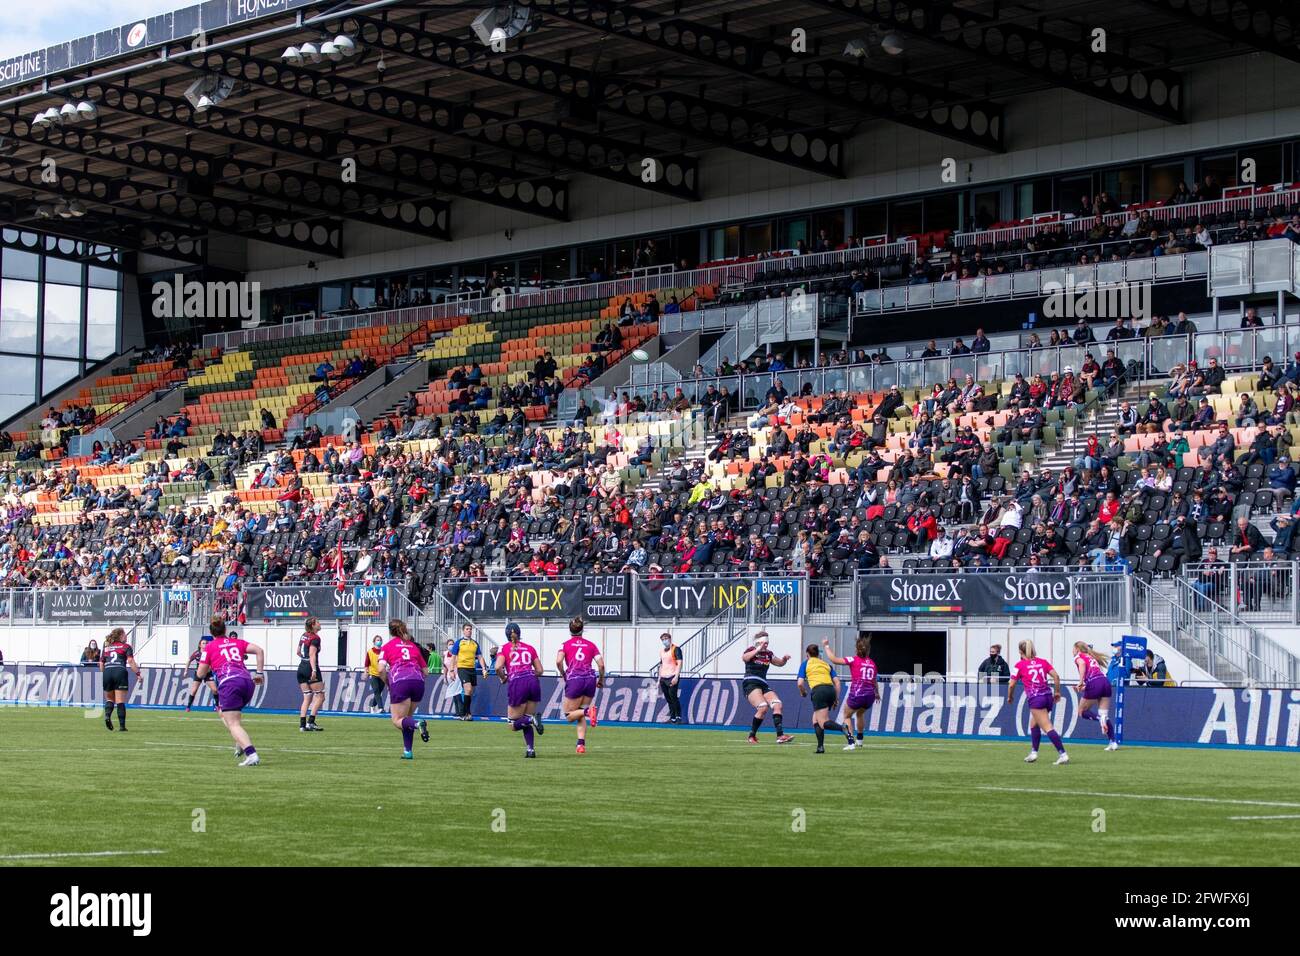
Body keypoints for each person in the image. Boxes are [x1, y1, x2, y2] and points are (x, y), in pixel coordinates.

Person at [194, 617, 266, 766]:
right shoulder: (237, 642)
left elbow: (200, 673)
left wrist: (208, 665)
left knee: (233, 723)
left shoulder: (210, 647)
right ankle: (240, 740)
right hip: (247, 682)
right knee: (224, 714)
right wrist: (259, 673)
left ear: (211, 632)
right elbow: (259, 650)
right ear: (225, 630)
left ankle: (251, 753)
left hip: (229, 683)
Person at [1007, 639, 1068, 765]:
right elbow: (1056, 677)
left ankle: (1063, 754)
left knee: (1047, 727)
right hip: (1047, 696)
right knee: (1034, 724)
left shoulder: (1019, 665)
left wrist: (1010, 697)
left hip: (1036, 698)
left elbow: (1011, 684)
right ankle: (1034, 753)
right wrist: (1057, 692)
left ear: (1020, 651)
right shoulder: (1042, 662)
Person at [378, 619, 429, 759]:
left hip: (400, 681)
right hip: (418, 682)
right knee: (406, 719)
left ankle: (419, 723)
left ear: (390, 631)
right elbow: (426, 671)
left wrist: (388, 683)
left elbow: (380, 669)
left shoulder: (387, 647)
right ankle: (408, 751)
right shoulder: (413, 646)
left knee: (397, 720)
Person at [556, 616, 604, 754]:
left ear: (570, 630)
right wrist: (600, 679)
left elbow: (559, 661)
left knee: (569, 715)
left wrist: (563, 673)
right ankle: (581, 745)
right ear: (582, 630)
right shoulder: (591, 645)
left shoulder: (564, 645)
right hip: (590, 679)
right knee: (579, 715)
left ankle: (589, 712)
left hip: (575, 679)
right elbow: (601, 664)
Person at [496, 623, 544, 757]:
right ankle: (530, 750)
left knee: (512, 724)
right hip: (533, 681)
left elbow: (497, 667)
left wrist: (504, 678)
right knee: (525, 718)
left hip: (517, 682)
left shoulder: (504, 648)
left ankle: (532, 720)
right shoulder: (530, 648)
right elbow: (540, 670)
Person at [822, 636, 878, 750]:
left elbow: (834, 659)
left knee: (847, 715)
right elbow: (874, 680)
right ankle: (860, 740)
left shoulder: (853, 659)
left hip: (858, 694)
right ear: (868, 650)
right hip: (870, 695)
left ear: (857, 650)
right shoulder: (872, 663)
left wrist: (826, 646)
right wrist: (877, 693)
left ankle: (851, 742)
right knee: (860, 714)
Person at [796, 643, 853, 754]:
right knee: (815, 719)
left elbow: (800, 683)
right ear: (819, 654)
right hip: (831, 690)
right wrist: (836, 698)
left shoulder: (805, 664)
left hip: (819, 691)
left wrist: (803, 692)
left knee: (823, 722)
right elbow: (837, 682)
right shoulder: (826, 664)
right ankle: (820, 747)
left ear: (807, 654)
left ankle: (842, 728)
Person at [741, 630, 794, 744]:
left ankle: (780, 736)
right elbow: (745, 658)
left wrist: (784, 659)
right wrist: (758, 649)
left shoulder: (768, 654)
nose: (766, 645)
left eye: (767, 643)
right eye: (764, 642)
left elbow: (779, 663)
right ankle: (752, 736)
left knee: (777, 704)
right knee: (763, 707)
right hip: (750, 682)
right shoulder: (751, 650)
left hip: (763, 683)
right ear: (758, 642)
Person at [1072, 641, 1118, 751]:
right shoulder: (1091, 656)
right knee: (1104, 715)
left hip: (1095, 683)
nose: (1072, 651)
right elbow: (1094, 675)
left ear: (1077, 649)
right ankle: (1113, 742)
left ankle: (1100, 719)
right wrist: (1084, 686)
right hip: (1105, 682)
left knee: (1081, 712)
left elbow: (1082, 664)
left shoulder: (1079, 656)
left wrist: (1080, 681)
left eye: (1073, 649)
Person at [99, 628, 141, 732]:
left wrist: (106, 673)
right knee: (120, 701)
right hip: (120, 672)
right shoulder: (126, 647)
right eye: (125, 634)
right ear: (121, 636)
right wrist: (138, 674)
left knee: (109, 699)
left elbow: (101, 664)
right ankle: (122, 727)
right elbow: (130, 661)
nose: (126, 636)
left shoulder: (107, 647)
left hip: (107, 672)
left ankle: (107, 716)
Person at [451, 622, 490, 721]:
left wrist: (484, 669)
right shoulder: (459, 642)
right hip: (462, 668)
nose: (469, 631)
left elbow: (480, 657)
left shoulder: (475, 643)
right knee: (467, 689)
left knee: (471, 692)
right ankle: (466, 713)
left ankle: (463, 712)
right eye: (467, 629)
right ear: (463, 630)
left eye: (470, 629)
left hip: (472, 669)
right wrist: (451, 670)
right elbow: (453, 657)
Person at [296, 617, 325, 732]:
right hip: (310, 667)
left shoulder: (304, 635)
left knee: (307, 697)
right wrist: (313, 670)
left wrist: (304, 659)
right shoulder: (315, 638)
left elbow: (298, 651)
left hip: (301, 667)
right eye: (318, 622)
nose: (319, 623)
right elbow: (312, 655)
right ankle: (311, 722)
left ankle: (302, 725)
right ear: (313, 625)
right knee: (320, 696)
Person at [184, 634, 218, 712]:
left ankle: (217, 706)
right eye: (203, 643)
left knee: (215, 690)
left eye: (206, 643)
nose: (205, 644)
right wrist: (186, 670)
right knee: (194, 691)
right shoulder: (197, 653)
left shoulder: (209, 653)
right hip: (199, 674)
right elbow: (189, 660)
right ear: (200, 645)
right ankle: (188, 707)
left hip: (208, 674)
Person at [658, 631, 684, 724]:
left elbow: (679, 663)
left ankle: (678, 717)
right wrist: (659, 679)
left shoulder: (675, 649)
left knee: (673, 697)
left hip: (672, 676)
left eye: (666, 639)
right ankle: (672, 717)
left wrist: (676, 676)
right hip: (663, 677)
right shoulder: (661, 651)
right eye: (663, 639)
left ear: (670, 639)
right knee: (668, 698)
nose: (665, 641)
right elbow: (661, 665)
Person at [364, 634, 385, 714]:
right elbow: (366, 663)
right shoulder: (370, 652)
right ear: (374, 642)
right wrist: (366, 672)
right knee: (376, 691)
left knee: (379, 691)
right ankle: (380, 707)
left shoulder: (384, 651)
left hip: (382, 674)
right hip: (373, 674)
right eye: (377, 640)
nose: (379, 642)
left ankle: (372, 706)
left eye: (380, 640)